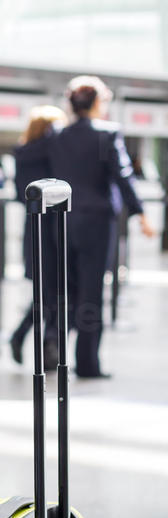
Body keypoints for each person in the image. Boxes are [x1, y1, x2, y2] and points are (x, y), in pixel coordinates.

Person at [47, 76, 156, 379]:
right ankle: (87, 363)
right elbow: (122, 175)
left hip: (62, 220)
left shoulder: (57, 135)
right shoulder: (107, 134)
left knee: (64, 290)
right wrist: (140, 213)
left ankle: (52, 347)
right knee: (91, 293)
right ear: (97, 102)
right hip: (96, 222)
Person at [8, 105, 67, 368]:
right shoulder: (52, 150)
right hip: (55, 227)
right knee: (56, 292)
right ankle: (45, 343)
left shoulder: (22, 152)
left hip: (33, 228)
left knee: (45, 293)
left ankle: (41, 342)